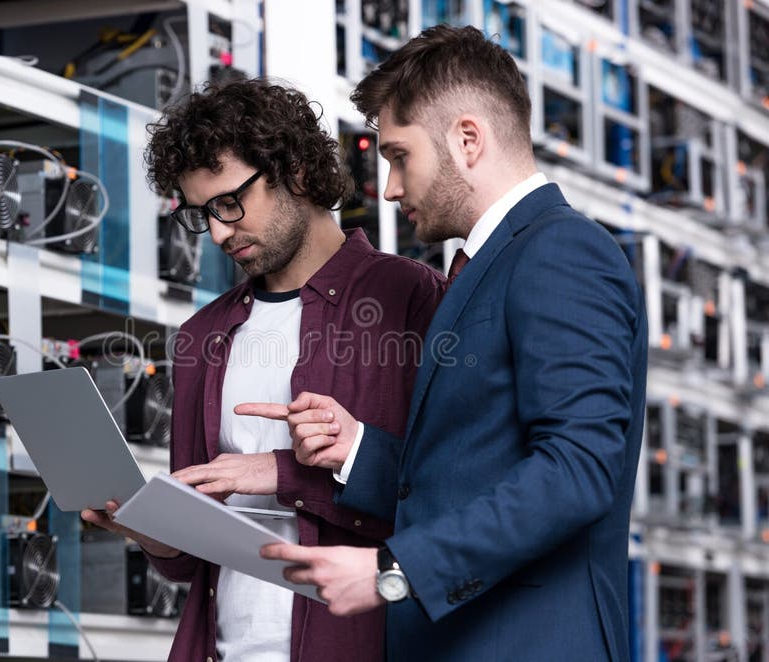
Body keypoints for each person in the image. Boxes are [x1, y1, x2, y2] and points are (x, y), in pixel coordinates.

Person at [250, 25, 649, 661]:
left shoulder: (561, 252)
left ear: (467, 140)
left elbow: (577, 469)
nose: (389, 189)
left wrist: (395, 568)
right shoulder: (489, 265)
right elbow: (472, 475)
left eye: (400, 156)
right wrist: (356, 449)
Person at [81, 78, 445, 662]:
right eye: (203, 215)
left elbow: (454, 497)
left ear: (296, 172)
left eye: (229, 202)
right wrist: (151, 531)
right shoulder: (202, 336)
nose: (220, 232)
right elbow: (192, 556)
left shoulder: (410, 297)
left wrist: (281, 472)